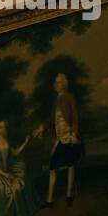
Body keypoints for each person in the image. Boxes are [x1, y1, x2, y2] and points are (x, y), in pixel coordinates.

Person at [44, 72, 85, 208]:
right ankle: (49, 200)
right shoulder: (56, 100)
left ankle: (69, 194)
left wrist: (74, 134)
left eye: (60, 82)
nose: (57, 84)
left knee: (70, 165)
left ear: (65, 84)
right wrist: (41, 128)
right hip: (58, 139)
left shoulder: (69, 97)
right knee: (52, 168)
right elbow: (51, 119)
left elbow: (74, 116)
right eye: (56, 82)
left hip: (68, 137)